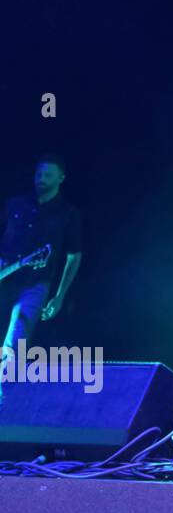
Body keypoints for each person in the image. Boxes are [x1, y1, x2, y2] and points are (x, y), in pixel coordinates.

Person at [1, 155, 83, 378]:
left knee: (15, 342)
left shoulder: (68, 214)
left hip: (34, 285)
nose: (41, 179)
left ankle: (1, 397)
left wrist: (60, 295)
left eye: (48, 175)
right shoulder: (15, 204)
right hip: (4, 277)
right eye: (39, 174)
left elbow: (74, 256)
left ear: (61, 178)